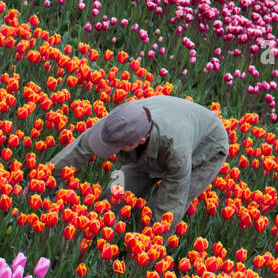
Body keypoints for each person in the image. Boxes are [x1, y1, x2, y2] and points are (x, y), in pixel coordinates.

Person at [46, 94, 229, 225]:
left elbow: (169, 207)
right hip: (163, 132)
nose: (111, 151)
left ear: (140, 141)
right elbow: (81, 148)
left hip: (205, 147)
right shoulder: (119, 121)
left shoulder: (176, 151)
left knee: (159, 208)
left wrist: (144, 255)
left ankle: (137, 260)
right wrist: (41, 182)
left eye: (117, 146)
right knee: (114, 197)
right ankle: (96, 239)